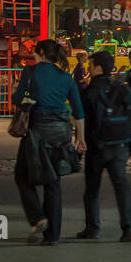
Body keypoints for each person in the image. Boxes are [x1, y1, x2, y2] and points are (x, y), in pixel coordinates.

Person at [13, 39, 85, 245]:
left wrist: (14, 93)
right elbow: (78, 111)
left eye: (35, 53)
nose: (33, 56)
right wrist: (81, 139)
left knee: (22, 176)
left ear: (42, 52)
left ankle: (37, 218)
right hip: (61, 134)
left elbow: (19, 99)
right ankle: (52, 236)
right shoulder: (66, 77)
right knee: (53, 184)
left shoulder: (30, 72)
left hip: (37, 132)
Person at [78, 50, 131, 242]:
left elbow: (86, 120)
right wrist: (130, 142)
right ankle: (128, 227)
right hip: (119, 144)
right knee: (121, 186)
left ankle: (92, 227)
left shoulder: (90, 91)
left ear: (98, 68)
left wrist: (82, 144)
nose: (88, 67)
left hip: (97, 147)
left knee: (92, 189)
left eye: (91, 64)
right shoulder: (121, 88)